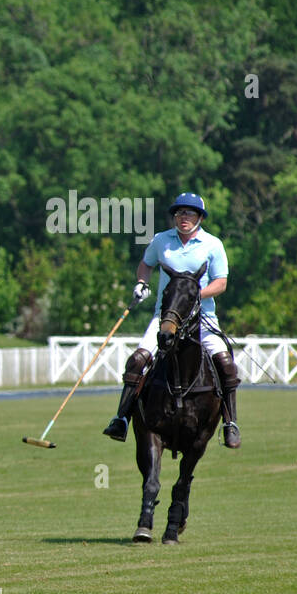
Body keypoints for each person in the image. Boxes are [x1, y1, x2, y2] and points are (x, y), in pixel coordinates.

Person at [103, 191, 240, 447]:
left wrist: (193, 295)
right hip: (165, 318)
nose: (183, 217)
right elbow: (146, 263)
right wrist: (142, 282)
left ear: (199, 217)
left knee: (226, 364)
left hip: (203, 319)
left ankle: (230, 423)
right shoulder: (161, 240)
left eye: (188, 212)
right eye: (179, 212)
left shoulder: (213, 245)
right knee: (137, 360)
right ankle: (121, 419)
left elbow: (220, 283)